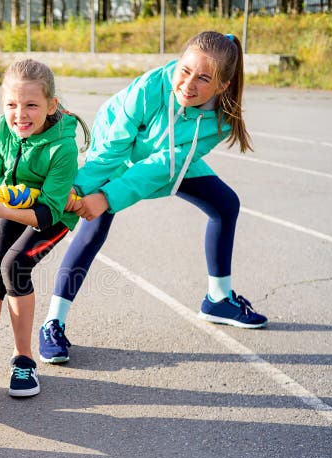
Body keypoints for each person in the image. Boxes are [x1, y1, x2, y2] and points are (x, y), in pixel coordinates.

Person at [39, 31, 268, 364]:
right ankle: (53, 322)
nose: (189, 84)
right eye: (185, 70)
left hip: (166, 156)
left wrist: (108, 196)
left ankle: (218, 299)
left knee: (225, 204)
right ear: (177, 63)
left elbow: (162, 166)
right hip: (117, 148)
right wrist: (77, 191)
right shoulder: (150, 87)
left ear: (221, 86)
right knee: (93, 228)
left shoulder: (219, 121)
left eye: (203, 79)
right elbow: (112, 152)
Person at [0, 59, 90, 408]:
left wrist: (1, 209)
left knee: (15, 266)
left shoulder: (63, 147)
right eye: (12, 105)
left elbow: (47, 213)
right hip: (11, 199)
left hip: (52, 213)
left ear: (51, 105)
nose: (20, 115)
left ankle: (23, 360)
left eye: (31, 105)